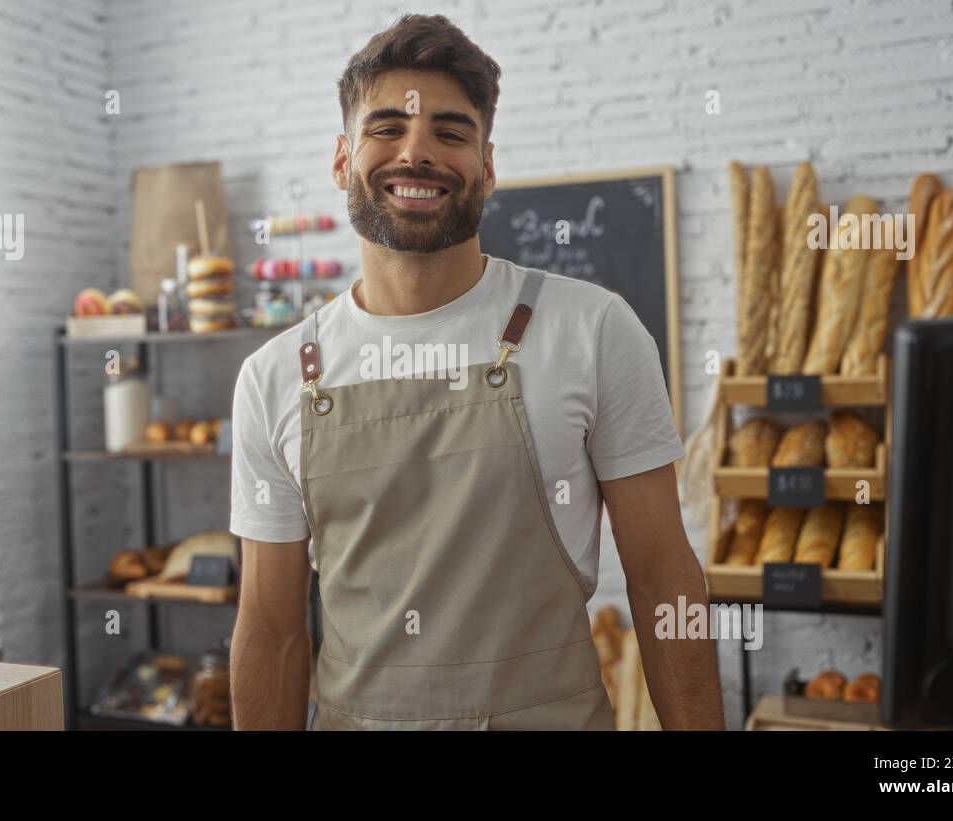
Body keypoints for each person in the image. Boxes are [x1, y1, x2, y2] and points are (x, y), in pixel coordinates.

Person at [229, 13, 724, 730]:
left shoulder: (594, 330)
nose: (417, 152)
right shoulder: (274, 376)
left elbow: (663, 578)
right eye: (386, 129)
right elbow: (271, 631)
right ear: (343, 160)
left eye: (451, 133)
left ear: (487, 167)